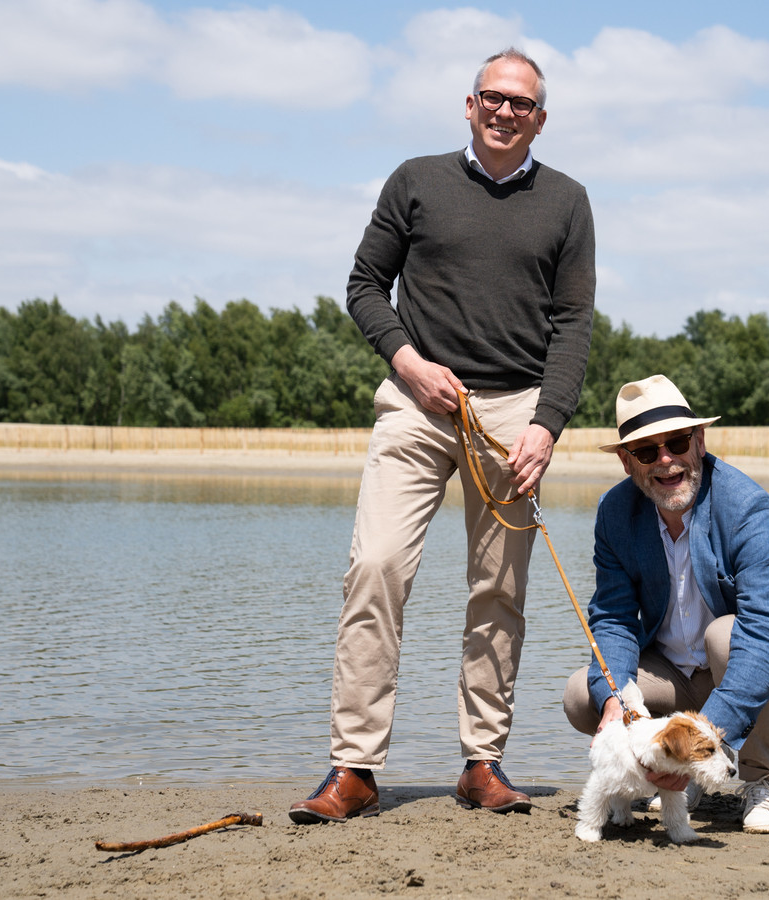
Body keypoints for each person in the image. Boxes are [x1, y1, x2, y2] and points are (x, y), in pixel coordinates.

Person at [289, 48, 595, 824]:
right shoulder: (415, 180)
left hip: (515, 413)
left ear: (541, 119)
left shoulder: (568, 200)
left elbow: (573, 325)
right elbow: (364, 284)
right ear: (468, 105)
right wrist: (409, 362)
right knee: (377, 566)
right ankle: (354, 769)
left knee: (500, 590)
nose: (505, 112)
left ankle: (482, 763)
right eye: (493, 98)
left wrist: (546, 425)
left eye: (521, 104)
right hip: (419, 401)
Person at [562, 375, 769, 835]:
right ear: (629, 463)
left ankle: (764, 780)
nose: (666, 461)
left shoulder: (749, 508)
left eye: (676, 442)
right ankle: (682, 777)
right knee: (582, 694)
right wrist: (615, 701)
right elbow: (612, 618)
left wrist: (702, 735)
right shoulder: (615, 512)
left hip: (740, 660)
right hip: (672, 673)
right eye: (648, 452)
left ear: (700, 440)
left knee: (726, 635)